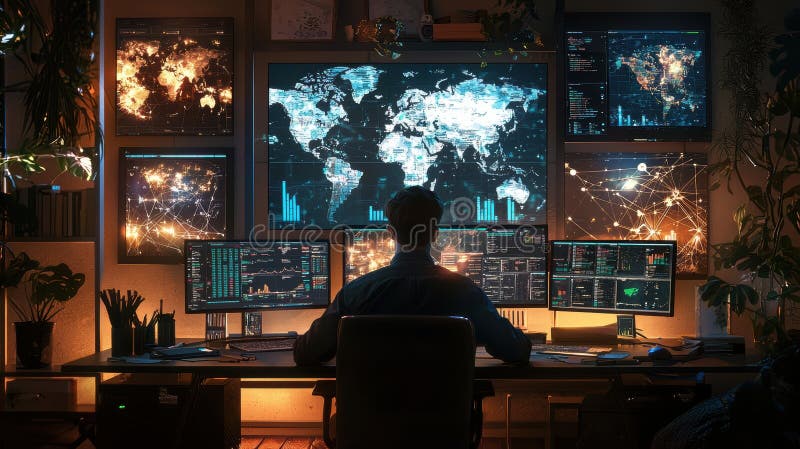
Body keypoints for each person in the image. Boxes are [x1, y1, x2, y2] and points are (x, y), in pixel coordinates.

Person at [294, 186, 532, 366]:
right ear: (435, 234)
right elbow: (516, 351)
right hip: (443, 427)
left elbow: (306, 353)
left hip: (370, 428)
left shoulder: (356, 294)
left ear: (390, 233)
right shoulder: (465, 293)